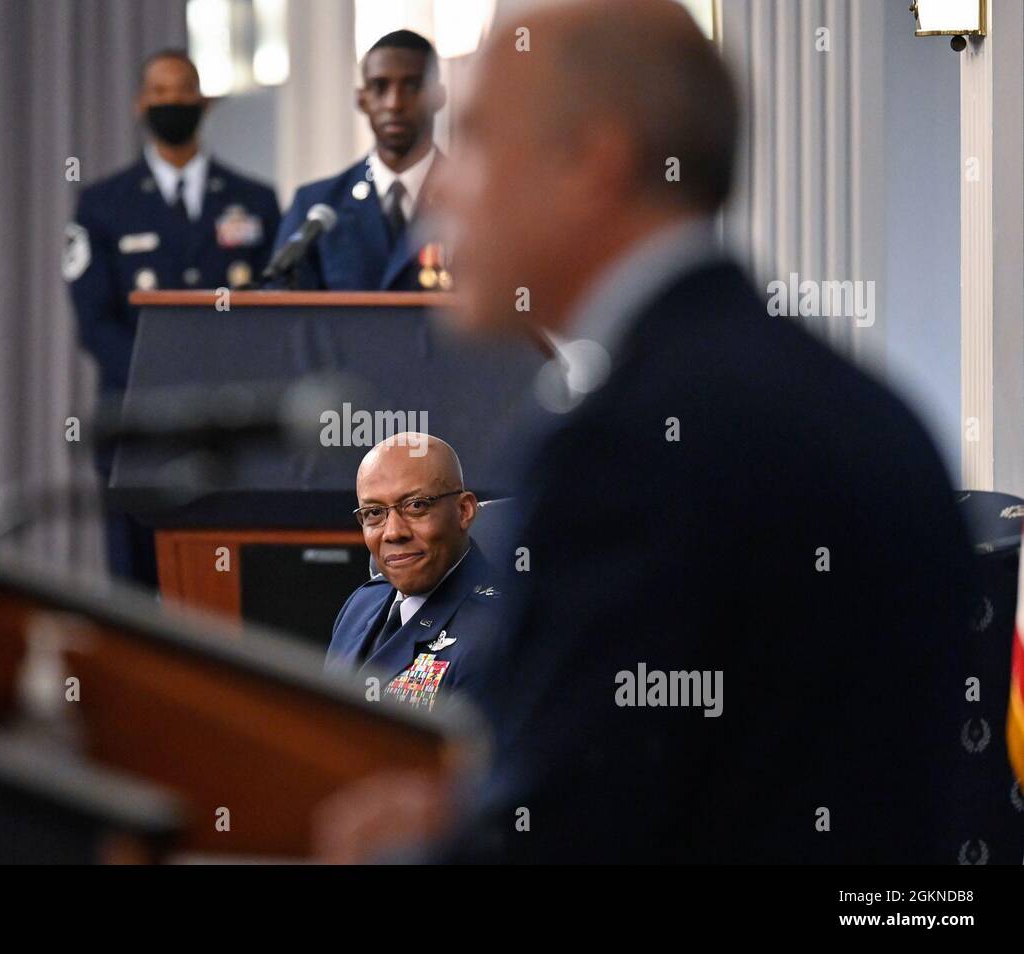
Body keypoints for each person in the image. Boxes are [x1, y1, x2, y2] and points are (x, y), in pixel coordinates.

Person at [315, 0, 976, 864]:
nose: (439, 186)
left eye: (473, 138)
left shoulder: (619, 447)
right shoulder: (867, 409)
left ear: (591, 161)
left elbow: (569, 840)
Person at [65, 50, 281, 585]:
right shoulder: (102, 205)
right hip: (137, 424)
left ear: (204, 101)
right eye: (159, 93)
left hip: (230, 424)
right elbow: (94, 322)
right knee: (135, 593)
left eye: (183, 90)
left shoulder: (254, 200)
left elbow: (273, 314)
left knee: (226, 588)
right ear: (141, 104)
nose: (172, 102)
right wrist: (163, 380)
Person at [328, 434, 503, 710]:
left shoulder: (498, 632)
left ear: (463, 511)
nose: (394, 532)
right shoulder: (362, 603)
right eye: (374, 512)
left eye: (416, 506)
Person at [271, 30, 451, 291]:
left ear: (439, 96)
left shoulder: (480, 204)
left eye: (412, 86)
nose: (394, 103)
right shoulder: (317, 207)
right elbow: (286, 319)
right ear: (362, 99)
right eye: (380, 87)